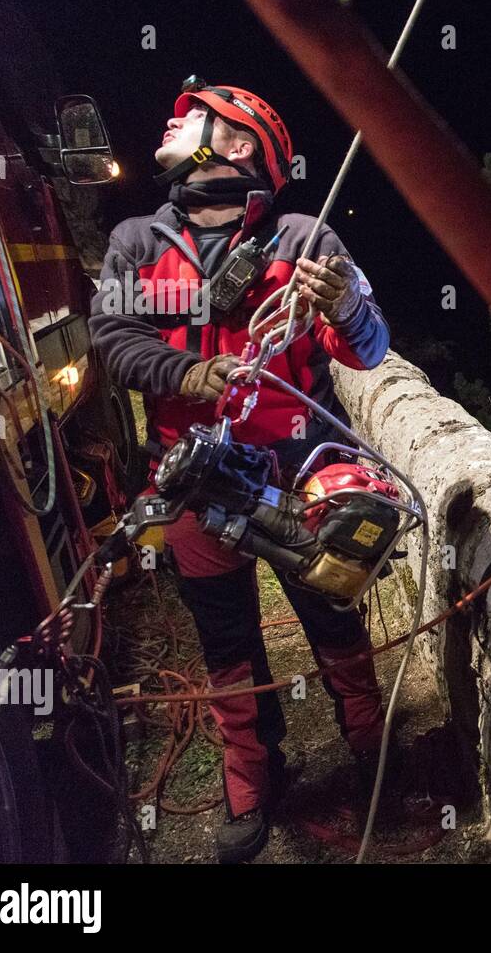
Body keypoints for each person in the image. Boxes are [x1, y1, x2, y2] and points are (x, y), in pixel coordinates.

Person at [89, 79, 391, 863]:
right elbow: (112, 340)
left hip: (297, 466)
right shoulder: (136, 243)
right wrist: (189, 378)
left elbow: (367, 351)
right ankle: (252, 779)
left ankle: (373, 752)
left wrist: (346, 307)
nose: (172, 118)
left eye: (195, 116)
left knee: (332, 614)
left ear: (240, 144)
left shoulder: (305, 238)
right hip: (195, 477)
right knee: (225, 636)